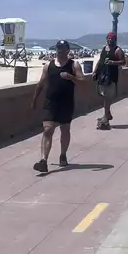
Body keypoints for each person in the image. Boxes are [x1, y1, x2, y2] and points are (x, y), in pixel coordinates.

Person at [31, 40, 84, 174]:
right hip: (51, 103)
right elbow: (41, 83)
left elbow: (83, 82)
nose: (60, 50)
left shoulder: (74, 65)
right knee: (48, 130)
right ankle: (43, 161)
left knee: (65, 130)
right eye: (58, 48)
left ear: (68, 50)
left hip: (66, 103)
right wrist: (35, 100)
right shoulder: (48, 66)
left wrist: (71, 77)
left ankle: (63, 154)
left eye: (62, 48)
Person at [93, 32, 126, 129]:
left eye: (112, 39)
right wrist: (95, 71)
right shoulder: (104, 48)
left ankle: (106, 117)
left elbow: (123, 62)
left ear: (115, 40)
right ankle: (107, 113)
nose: (110, 40)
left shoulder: (118, 50)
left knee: (107, 96)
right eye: (109, 38)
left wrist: (112, 62)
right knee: (102, 95)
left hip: (110, 76)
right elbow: (100, 60)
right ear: (106, 39)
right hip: (102, 75)